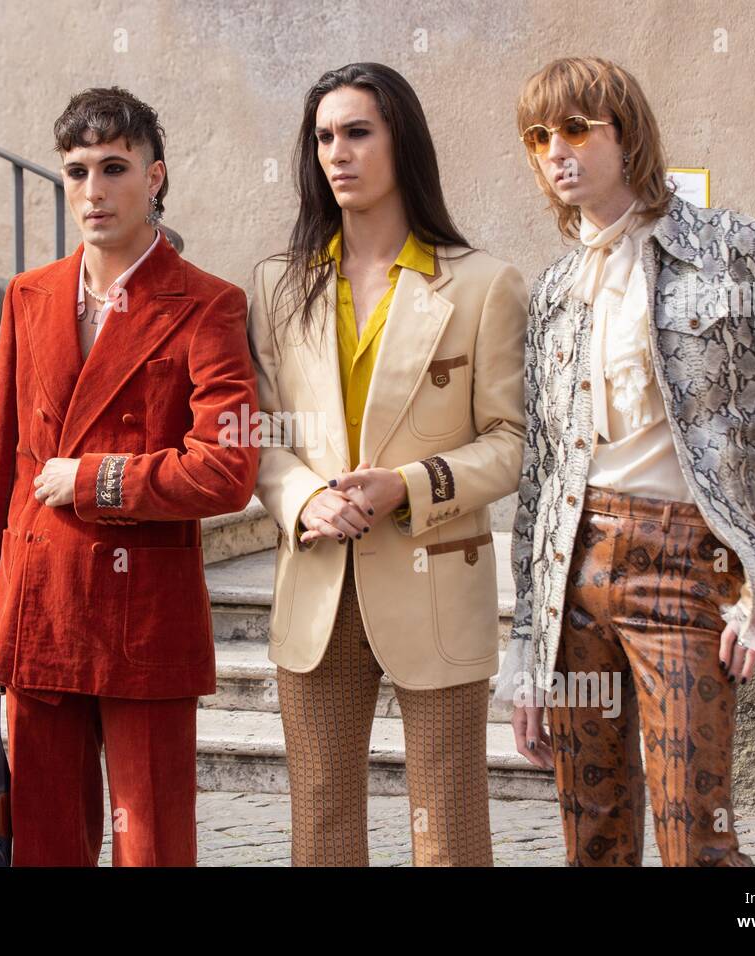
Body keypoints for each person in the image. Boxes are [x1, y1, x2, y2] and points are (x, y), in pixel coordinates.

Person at [502, 56, 755, 866]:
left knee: (697, 834)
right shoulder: (557, 290)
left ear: (627, 134)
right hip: (575, 573)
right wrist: (529, 645)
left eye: (577, 129)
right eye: (539, 137)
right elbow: (541, 477)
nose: (557, 152)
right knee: (593, 835)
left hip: (690, 570)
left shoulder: (734, 250)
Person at [0, 87, 259, 866]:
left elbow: (228, 469)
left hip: (145, 618)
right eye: (77, 170)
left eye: (114, 168)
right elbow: (2, 470)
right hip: (40, 609)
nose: (93, 190)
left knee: (151, 846)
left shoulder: (209, 304)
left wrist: (95, 482)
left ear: (154, 177)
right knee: (45, 847)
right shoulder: (30, 295)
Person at [248, 62, 527, 866]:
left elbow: (510, 442)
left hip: (436, 585)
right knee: (322, 827)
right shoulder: (278, 286)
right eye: (324, 137)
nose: (337, 152)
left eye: (358, 132)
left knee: (448, 832)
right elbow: (258, 431)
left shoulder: (483, 285)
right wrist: (304, 497)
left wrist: (407, 486)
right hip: (317, 585)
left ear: (402, 140)